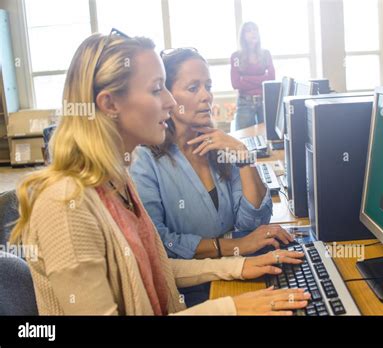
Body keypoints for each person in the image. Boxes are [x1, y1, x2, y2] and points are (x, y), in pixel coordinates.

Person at [10, 31, 309, 315]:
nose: (169, 101)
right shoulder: (65, 205)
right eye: (156, 89)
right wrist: (232, 308)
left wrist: (237, 266)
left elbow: (159, 268)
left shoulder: (116, 181)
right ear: (109, 104)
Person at [130, 48, 293, 263]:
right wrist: (234, 246)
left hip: (232, 269)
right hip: (192, 287)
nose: (206, 96)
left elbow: (253, 225)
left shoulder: (219, 147)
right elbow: (159, 242)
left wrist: (245, 158)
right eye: (193, 88)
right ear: (167, 96)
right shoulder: (145, 158)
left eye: (208, 86)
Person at [230, 22, 275, 130]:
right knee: (242, 138)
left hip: (265, 101)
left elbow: (271, 79)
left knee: (268, 136)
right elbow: (235, 83)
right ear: (243, 36)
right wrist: (262, 79)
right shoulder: (236, 57)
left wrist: (245, 79)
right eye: (249, 30)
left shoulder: (266, 54)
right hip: (244, 103)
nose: (253, 32)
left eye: (255, 29)